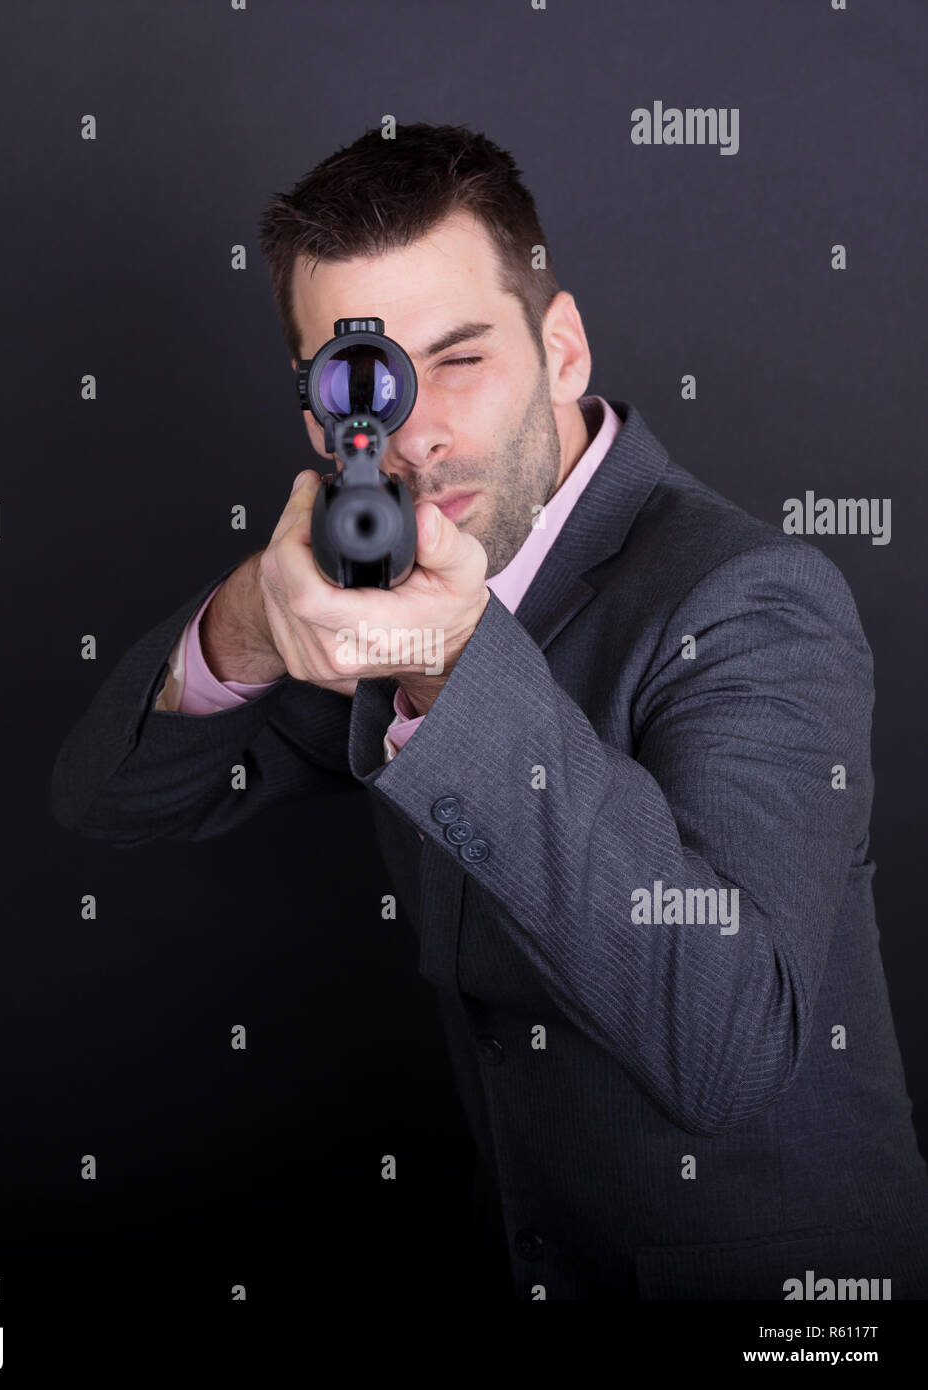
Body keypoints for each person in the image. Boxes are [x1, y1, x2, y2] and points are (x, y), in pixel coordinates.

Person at [51, 122, 928, 1300]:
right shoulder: (374, 588)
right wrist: (256, 617)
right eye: (365, 381)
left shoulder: (749, 599)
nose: (415, 432)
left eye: (459, 359)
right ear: (321, 421)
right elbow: (110, 799)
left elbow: (724, 1045)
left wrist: (452, 660)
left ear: (560, 348)